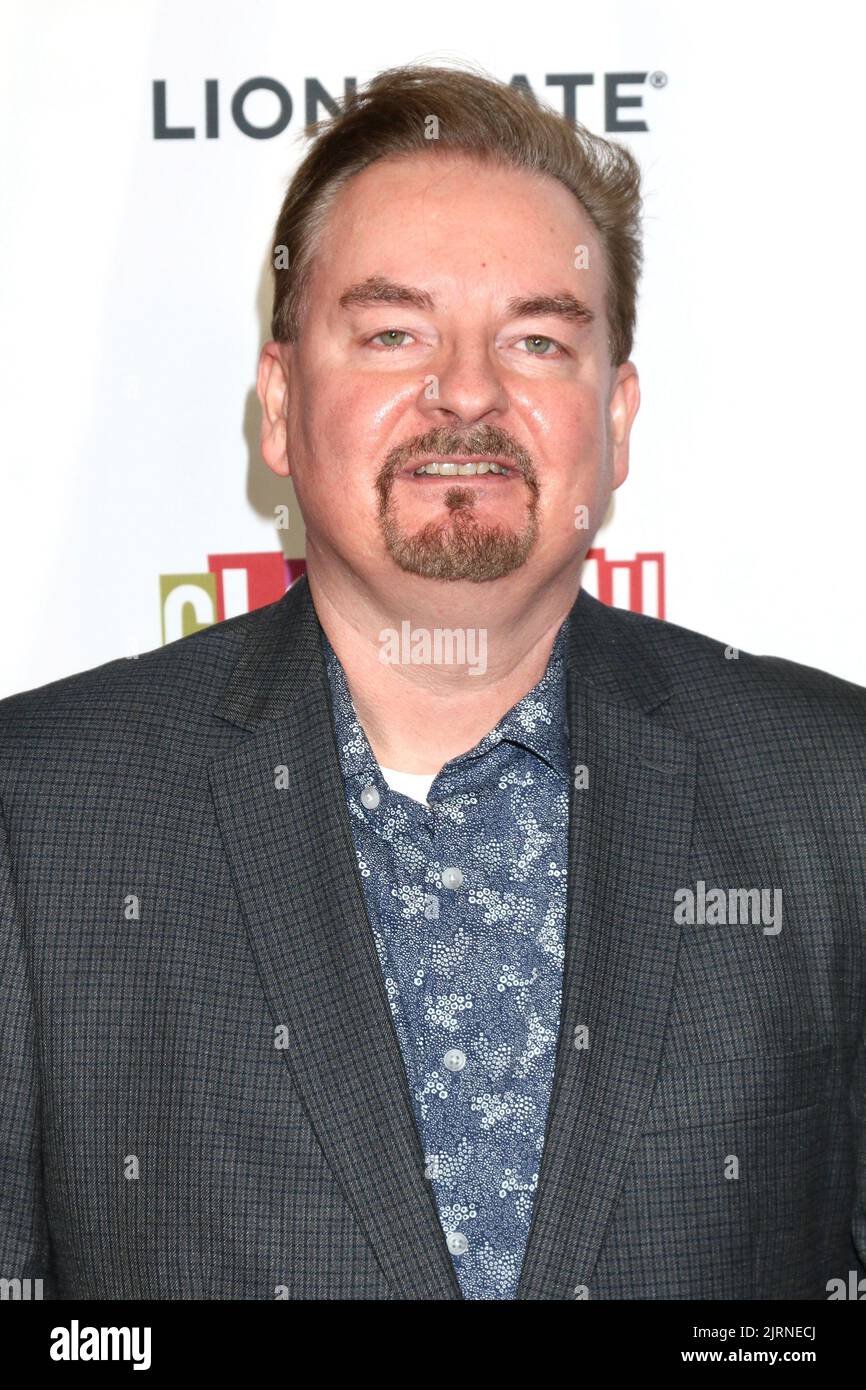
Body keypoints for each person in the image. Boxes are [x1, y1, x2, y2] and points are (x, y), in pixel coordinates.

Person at [1, 63, 864, 1302]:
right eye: (394, 332)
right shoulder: (39, 815)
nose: (465, 391)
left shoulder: (831, 792)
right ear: (282, 407)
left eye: (534, 339)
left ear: (615, 420)